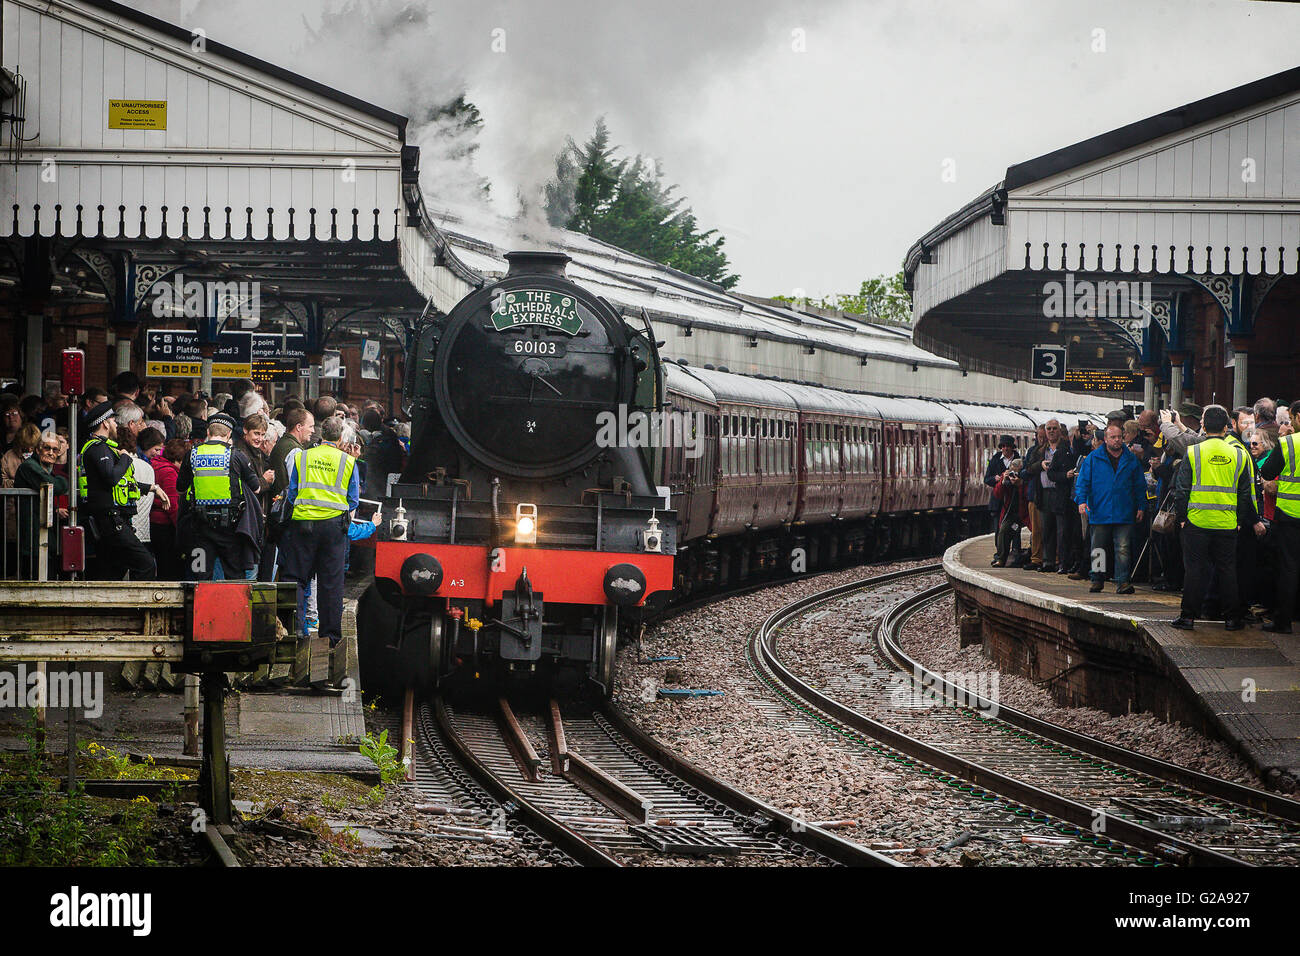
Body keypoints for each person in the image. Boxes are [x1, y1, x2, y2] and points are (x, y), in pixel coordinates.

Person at [1170, 404, 1264, 631]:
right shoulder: (1239, 454)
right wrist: (1240, 521)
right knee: (1227, 570)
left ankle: (1188, 617)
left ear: (1204, 425)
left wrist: (1182, 518)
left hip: (1197, 521)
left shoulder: (1193, 453)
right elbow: (1245, 493)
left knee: (1194, 570)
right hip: (1227, 523)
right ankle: (1233, 618)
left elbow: (1181, 490)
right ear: (1226, 427)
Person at [278, 415, 360, 648]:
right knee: (331, 583)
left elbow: (292, 494)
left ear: (321, 434)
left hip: (303, 525)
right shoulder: (347, 462)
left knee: (296, 578)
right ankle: (330, 637)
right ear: (341, 437)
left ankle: (292, 631)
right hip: (333, 529)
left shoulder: (303, 457)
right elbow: (353, 501)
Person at [176, 413, 261, 581]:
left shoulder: (192, 454)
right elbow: (256, 488)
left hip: (199, 529)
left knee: (199, 576)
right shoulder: (236, 455)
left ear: (208, 432)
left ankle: (200, 607)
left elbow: (180, 489)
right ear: (228, 434)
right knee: (234, 576)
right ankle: (232, 608)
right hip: (230, 529)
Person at [78, 402, 155, 580]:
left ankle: (104, 607)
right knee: (145, 563)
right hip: (110, 520)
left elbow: (122, 483)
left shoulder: (105, 447)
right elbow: (111, 478)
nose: (115, 425)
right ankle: (138, 607)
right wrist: (125, 459)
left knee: (112, 571)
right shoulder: (97, 448)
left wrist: (150, 488)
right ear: (105, 423)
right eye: (113, 421)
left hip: (115, 519)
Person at [1074, 422, 1146, 595]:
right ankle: (1097, 579)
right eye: (1112, 437)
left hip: (1124, 511)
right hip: (1099, 510)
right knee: (1098, 548)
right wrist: (1081, 501)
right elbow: (1083, 481)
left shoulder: (1131, 460)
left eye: (1119, 437)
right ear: (1105, 439)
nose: (1117, 440)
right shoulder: (1093, 458)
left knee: (1123, 548)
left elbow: (1139, 486)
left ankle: (1123, 582)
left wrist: (1141, 506)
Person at [1259, 416, 1300, 634]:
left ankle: (1283, 621)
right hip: (1289, 517)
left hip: (1290, 516)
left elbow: (1266, 471)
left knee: (1288, 568)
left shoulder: (1289, 443)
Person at [14, 431, 70, 576]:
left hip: (44, 539)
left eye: (55, 449)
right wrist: (63, 481)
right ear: (37, 449)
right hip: (32, 541)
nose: (51, 453)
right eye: (47, 448)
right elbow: (55, 486)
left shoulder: (46, 468)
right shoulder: (29, 467)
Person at [149, 438, 184, 580]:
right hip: (164, 526)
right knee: (168, 568)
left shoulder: (155, 465)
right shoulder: (170, 473)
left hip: (153, 523)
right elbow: (172, 505)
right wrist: (180, 528)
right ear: (178, 460)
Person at [984, 434, 1018, 558]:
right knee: (998, 529)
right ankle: (1000, 553)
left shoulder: (1019, 459)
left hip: (1014, 500)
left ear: (1012, 447)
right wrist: (995, 478)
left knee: (1015, 528)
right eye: (1003, 446)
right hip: (998, 500)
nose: (1005, 449)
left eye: (1008, 446)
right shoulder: (995, 459)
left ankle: (1015, 552)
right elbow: (987, 479)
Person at [991, 458, 1029, 568]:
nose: (1014, 475)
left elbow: (1029, 494)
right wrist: (1003, 481)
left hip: (1025, 513)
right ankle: (1001, 558)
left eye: (1017, 472)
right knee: (1003, 531)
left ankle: (1035, 557)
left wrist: (1020, 483)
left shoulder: (1025, 478)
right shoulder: (1006, 477)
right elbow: (997, 495)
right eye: (1012, 471)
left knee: (1036, 533)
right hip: (1010, 513)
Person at [1022, 426, 1048, 571]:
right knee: (1036, 529)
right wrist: (1039, 466)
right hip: (1034, 493)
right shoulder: (1032, 451)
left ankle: (1051, 558)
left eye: (1044, 437)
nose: (1042, 440)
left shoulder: (1052, 451)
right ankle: (1036, 557)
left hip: (1049, 494)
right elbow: (1025, 471)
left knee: (1049, 528)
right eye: (1040, 437)